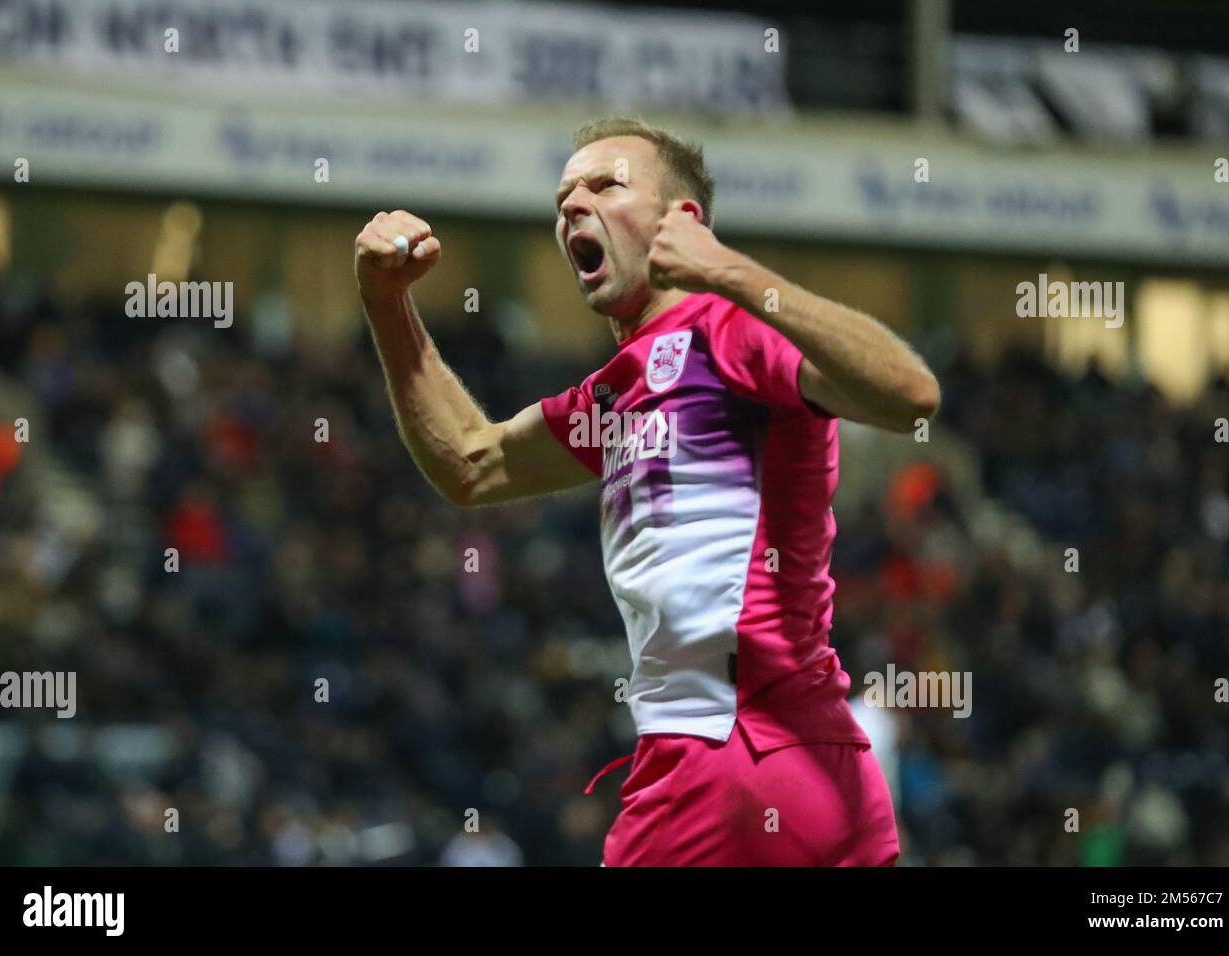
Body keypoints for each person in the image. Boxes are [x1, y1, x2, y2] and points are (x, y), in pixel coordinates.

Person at [356, 117, 939, 866]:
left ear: (682, 222)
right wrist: (386, 304)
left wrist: (728, 271)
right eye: (563, 197)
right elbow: (471, 462)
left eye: (605, 186)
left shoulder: (729, 328)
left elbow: (909, 393)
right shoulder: (619, 391)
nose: (572, 206)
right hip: (816, 771)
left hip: (723, 755)